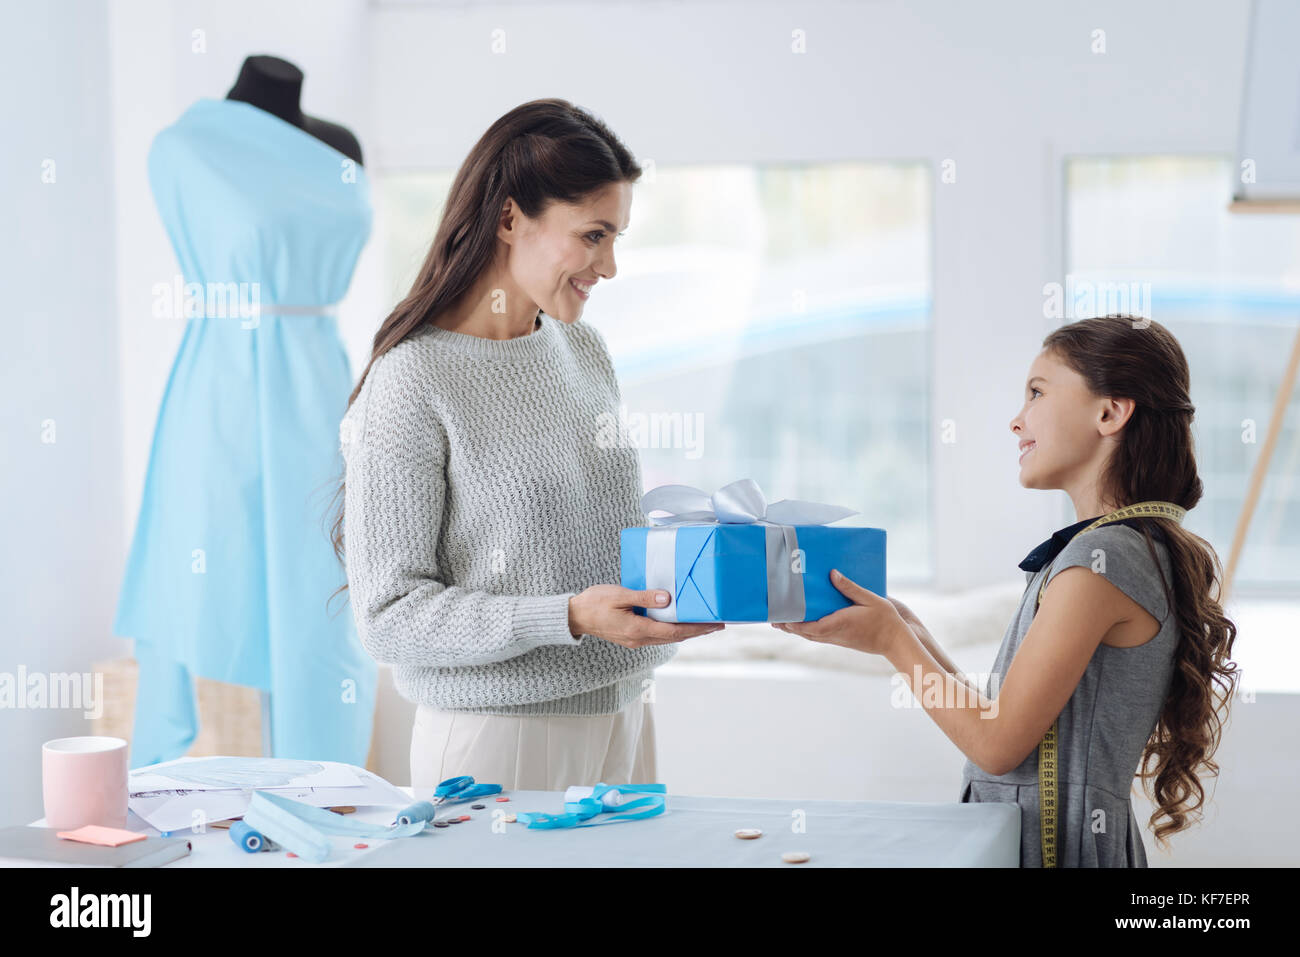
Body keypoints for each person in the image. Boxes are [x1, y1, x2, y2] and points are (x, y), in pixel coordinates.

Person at [326, 99, 723, 793]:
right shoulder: (414, 380)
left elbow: (580, 534)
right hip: (500, 739)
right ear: (511, 218)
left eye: (616, 238)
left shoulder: (582, 349)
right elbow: (388, 618)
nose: (609, 265)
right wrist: (565, 616)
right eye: (594, 235)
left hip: (625, 716)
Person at [776, 315, 1240, 866]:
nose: (1016, 422)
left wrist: (893, 644)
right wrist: (907, 627)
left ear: (1110, 412)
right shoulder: (1114, 549)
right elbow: (1004, 717)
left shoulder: (1103, 561)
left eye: (1037, 393)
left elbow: (996, 746)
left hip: (1058, 848)